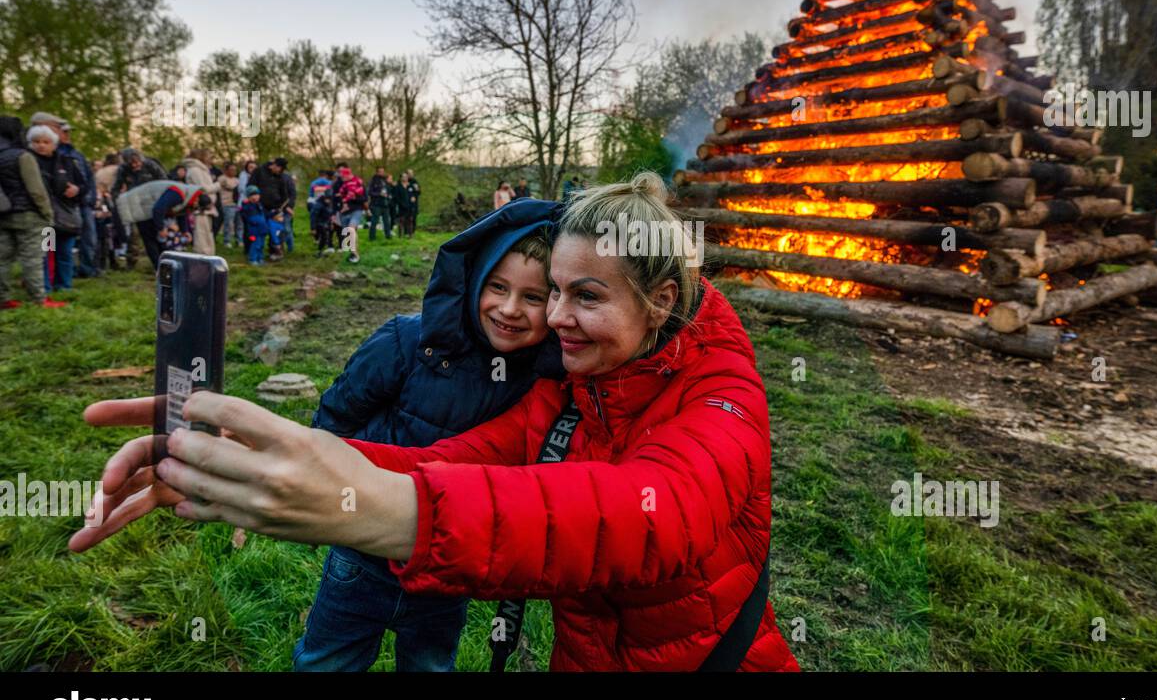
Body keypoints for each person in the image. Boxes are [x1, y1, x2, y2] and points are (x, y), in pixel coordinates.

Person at [72, 172, 800, 672]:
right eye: (555, 293)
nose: (553, 319)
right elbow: (458, 456)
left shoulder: (722, 392)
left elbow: (653, 516)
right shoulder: (581, 386)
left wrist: (390, 513)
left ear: (662, 299)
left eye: (585, 297)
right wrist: (282, 452)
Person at [296, 199, 562, 671]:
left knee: (430, 664)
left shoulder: (539, 384)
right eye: (497, 287)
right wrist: (323, 496)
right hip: (363, 552)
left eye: (533, 297)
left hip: (447, 565)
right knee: (328, 660)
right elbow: (337, 416)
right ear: (474, 280)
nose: (509, 309)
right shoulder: (406, 341)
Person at [0, 115, 64, 309]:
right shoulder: (22, 156)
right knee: (33, 258)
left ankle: (3, 298)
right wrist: (47, 213)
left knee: (2, 259)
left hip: (3, 214)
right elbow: (36, 190)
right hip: (28, 215)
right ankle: (39, 298)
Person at [35, 114, 98, 279]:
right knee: (48, 248)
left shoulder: (71, 156)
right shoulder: (33, 158)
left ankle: (69, 279)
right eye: (62, 130)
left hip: (71, 210)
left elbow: (87, 180)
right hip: (48, 212)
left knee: (67, 248)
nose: (66, 134)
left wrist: (84, 194)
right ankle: (46, 283)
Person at [28, 123, 85, 295]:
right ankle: (45, 287)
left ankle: (64, 287)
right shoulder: (29, 162)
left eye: (45, 141)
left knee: (64, 253)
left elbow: (84, 185)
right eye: (37, 141)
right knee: (45, 253)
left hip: (65, 218)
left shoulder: (66, 162)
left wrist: (77, 190)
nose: (41, 145)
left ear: (53, 144)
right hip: (44, 218)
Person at [113, 178, 209, 269]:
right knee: (150, 239)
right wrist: (161, 228)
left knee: (159, 241)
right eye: (197, 207)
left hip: (149, 208)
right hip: (139, 205)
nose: (195, 209)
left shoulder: (188, 195)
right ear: (197, 200)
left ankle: (165, 267)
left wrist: (185, 231)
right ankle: (159, 268)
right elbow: (158, 208)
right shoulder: (178, 194)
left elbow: (181, 212)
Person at [113, 148, 166, 270]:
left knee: (160, 235)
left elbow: (164, 180)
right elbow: (116, 188)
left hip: (155, 204)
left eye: (137, 162)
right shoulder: (123, 169)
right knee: (147, 238)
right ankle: (157, 266)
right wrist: (119, 200)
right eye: (132, 164)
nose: (136, 165)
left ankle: (167, 264)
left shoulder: (150, 165)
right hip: (137, 207)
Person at [250, 157, 295, 256]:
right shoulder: (259, 171)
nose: (281, 171)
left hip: (275, 208)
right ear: (275, 166)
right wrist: (253, 199)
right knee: (258, 230)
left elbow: (284, 194)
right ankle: (255, 252)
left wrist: (287, 206)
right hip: (259, 207)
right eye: (281, 168)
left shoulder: (280, 176)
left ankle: (274, 251)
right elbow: (250, 186)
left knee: (276, 230)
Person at [179, 149, 220, 255]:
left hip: (207, 208)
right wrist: (218, 185)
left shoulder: (201, 170)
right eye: (208, 156)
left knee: (206, 235)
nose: (211, 160)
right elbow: (203, 188)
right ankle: (202, 260)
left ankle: (208, 259)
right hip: (200, 209)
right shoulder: (195, 170)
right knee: (202, 237)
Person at [333, 163, 367, 264]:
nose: (341, 176)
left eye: (343, 174)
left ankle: (355, 254)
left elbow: (364, 198)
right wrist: (334, 212)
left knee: (351, 229)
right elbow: (334, 199)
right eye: (339, 173)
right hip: (343, 212)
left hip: (356, 210)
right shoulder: (337, 184)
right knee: (348, 233)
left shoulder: (358, 183)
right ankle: (353, 252)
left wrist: (354, 197)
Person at [308, 168, 336, 256]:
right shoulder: (330, 183)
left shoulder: (313, 183)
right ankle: (323, 246)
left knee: (325, 231)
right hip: (321, 213)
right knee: (324, 231)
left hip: (315, 204)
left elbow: (311, 195)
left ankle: (319, 241)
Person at [240, 185, 270, 265]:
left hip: (262, 229)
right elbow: (244, 215)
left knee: (261, 245)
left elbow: (265, 215)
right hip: (254, 231)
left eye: (257, 195)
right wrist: (245, 204)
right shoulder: (247, 206)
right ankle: (253, 259)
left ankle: (260, 258)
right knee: (255, 245)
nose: (255, 197)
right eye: (252, 195)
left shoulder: (260, 205)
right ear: (248, 197)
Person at [217, 163, 242, 249]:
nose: (233, 171)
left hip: (237, 204)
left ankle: (239, 240)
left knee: (239, 224)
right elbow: (230, 187)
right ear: (226, 170)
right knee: (228, 224)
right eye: (231, 169)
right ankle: (227, 241)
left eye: (235, 170)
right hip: (227, 204)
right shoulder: (221, 179)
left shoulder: (237, 179)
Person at [368, 167, 393, 241]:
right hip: (376, 204)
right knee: (374, 221)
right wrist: (379, 194)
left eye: (383, 171)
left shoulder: (385, 180)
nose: (382, 173)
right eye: (380, 171)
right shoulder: (373, 181)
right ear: (377, 172)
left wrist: (388, 196)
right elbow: (369, 192)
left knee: (387, 221)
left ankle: (388, 236)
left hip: (385, 204)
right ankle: (372, 237)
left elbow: (389, 190)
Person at [390, 171, 414, 238]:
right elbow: (396, 197)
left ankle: (410, 235)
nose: (405, 178)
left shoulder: (410, 186)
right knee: (401, 221)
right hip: (401, 207)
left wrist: (413, 198)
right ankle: (400, 236)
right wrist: (401, 204)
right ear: (400, 178)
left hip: (410, 206)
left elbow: (414, 194)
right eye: (403, 177)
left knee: (410, 221)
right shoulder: (398, 186)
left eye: (406, 177)